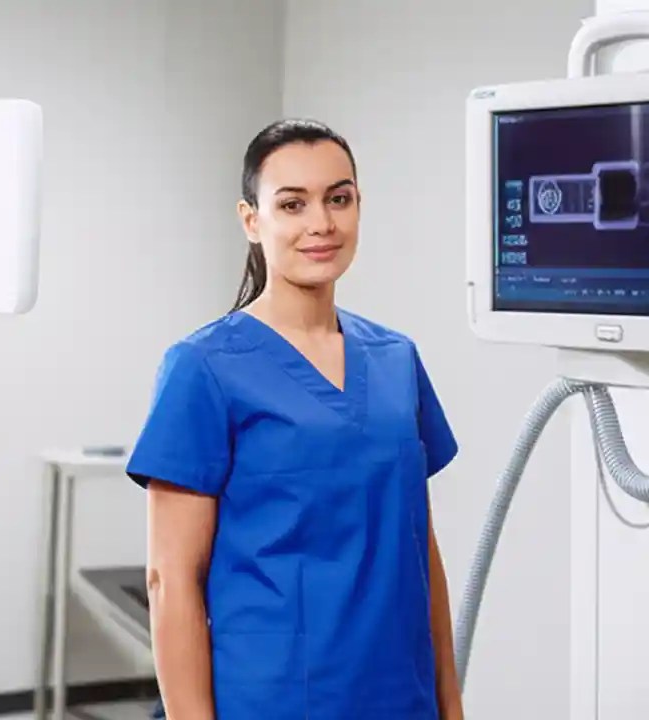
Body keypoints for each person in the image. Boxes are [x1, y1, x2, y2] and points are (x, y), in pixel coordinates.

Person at [126, 118, 465, 720]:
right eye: (292, 204)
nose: (321, 223)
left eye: (339, 198)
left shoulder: (396, 360)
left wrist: (451, 704)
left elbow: (420, 552)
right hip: (272, 699)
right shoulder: (204, 368)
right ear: (252, 220)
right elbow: (170, 579)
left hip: (399, 698)